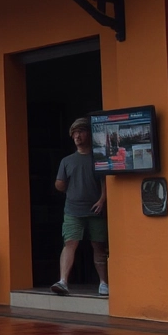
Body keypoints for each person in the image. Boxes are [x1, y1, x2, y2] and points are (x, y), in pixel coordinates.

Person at [53, 116, 108, 296]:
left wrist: (102, 200)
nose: (77, 136)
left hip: (95, 209)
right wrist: (60, 184)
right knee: (70, 242)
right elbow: (59, 184)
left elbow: (106, 182)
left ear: (88, 134)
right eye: (74, 133)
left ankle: (103, 283)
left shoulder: (98, 157)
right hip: (73, 210)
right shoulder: (67, 161)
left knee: (98, 245)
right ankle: (63, 281)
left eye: (81, 132)